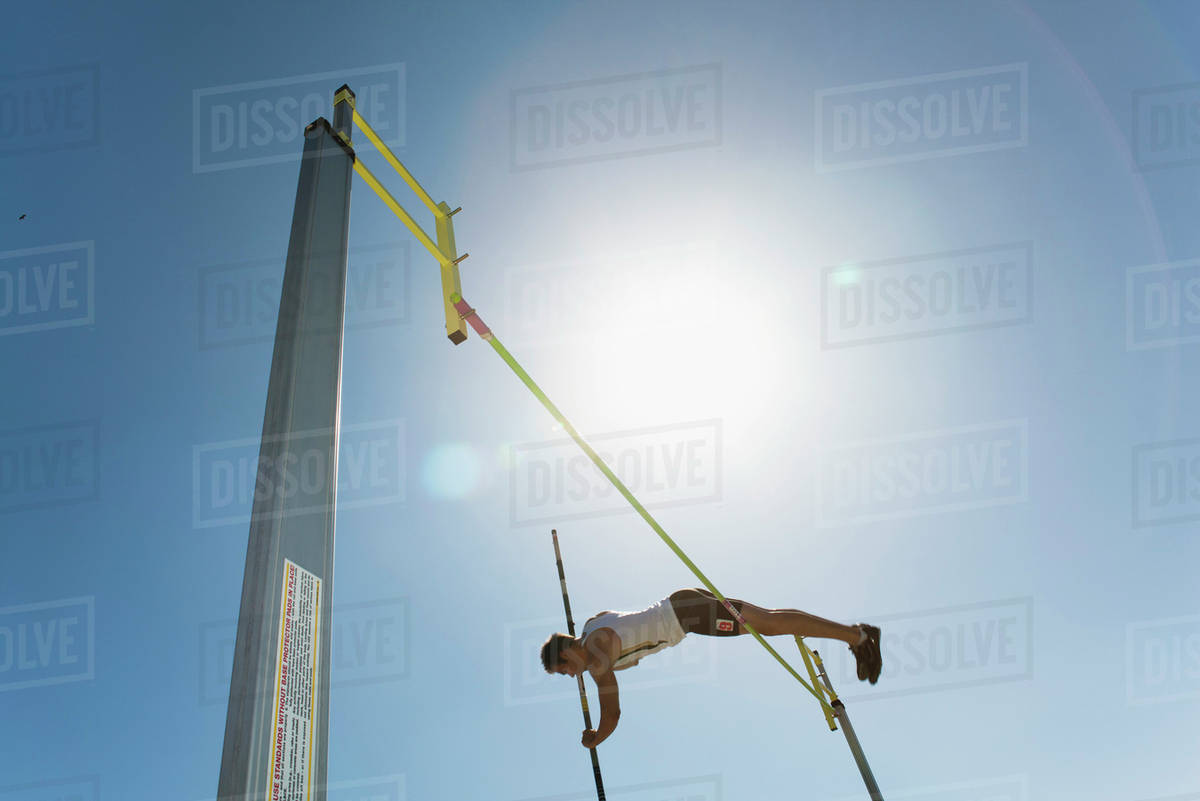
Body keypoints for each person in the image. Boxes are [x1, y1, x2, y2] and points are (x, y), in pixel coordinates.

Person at [540, 588, 881, 748]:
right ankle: (858, 635)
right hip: (681, 601)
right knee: (771, 619)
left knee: (772, 625)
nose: (571, 674)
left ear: (569, 648)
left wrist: (596, 738)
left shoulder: (597, 658)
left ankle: (859, 637)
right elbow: (611, 623)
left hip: (686, 616)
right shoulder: (590, 626)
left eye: (565, 666)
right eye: (564, 674)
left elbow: (612, 714)